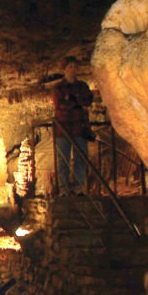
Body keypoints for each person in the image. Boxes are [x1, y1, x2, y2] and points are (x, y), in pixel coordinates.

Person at [53, 57, 94, 194]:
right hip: (63, 129)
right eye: (70, 67)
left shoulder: (83, 86)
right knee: (63, 159)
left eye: (75, 67)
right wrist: (77, 101)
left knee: (80, 158)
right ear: (64, 69)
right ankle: (64, 189)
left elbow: (88, 100)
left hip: (79, 128)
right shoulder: (58, 88)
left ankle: (79, 188)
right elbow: (60, 105)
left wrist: (71, 100)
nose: (73, 69)